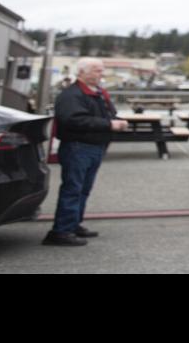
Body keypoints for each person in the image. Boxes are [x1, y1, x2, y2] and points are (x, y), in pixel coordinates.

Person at [43, 58, 130, 246]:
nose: (101, 74)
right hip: (78, 146)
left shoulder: (96, 94)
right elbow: (73, 120)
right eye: (97, 70)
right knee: (73, 189)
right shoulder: (71, 95)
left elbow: (104, 115)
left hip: (93, 146)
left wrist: (116, 120)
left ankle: (72, 224)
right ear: (82, 72)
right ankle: (61, 231)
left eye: (101, 70)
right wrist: (109, 124)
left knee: (82, 190)